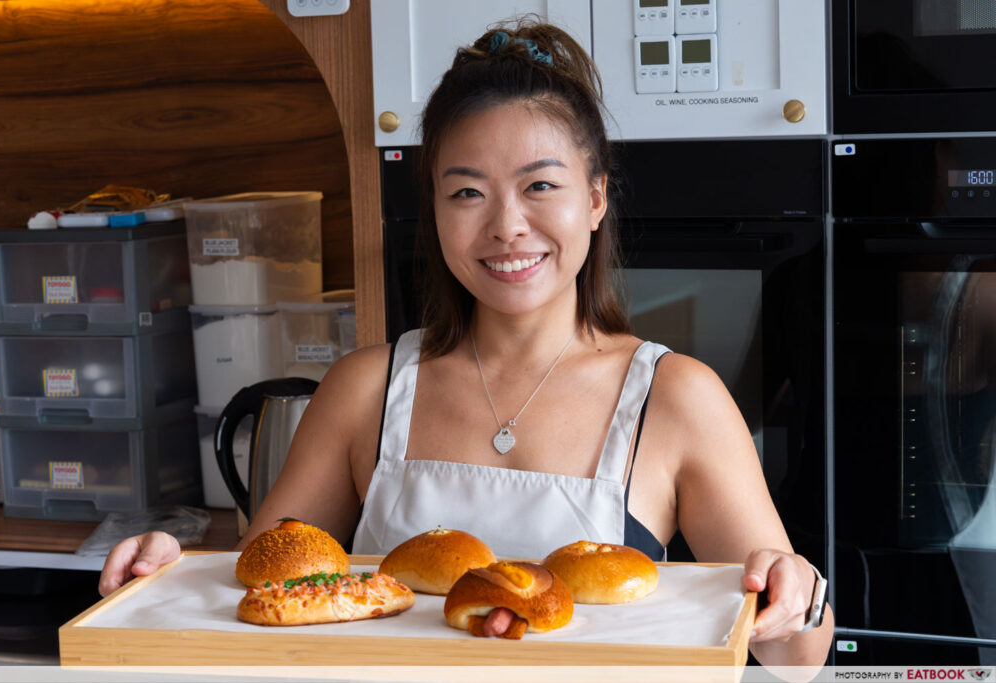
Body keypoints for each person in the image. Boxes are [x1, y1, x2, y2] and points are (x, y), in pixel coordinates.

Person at [100, 18, 833, 666]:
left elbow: (796, 658)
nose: (506, 225)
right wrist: (173, 576)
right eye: (467, 192)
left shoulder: (677, 399)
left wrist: (796, 594)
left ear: (595, 198)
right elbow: (260, 592)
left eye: (539, 186)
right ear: (436, 211)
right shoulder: (363, 390)